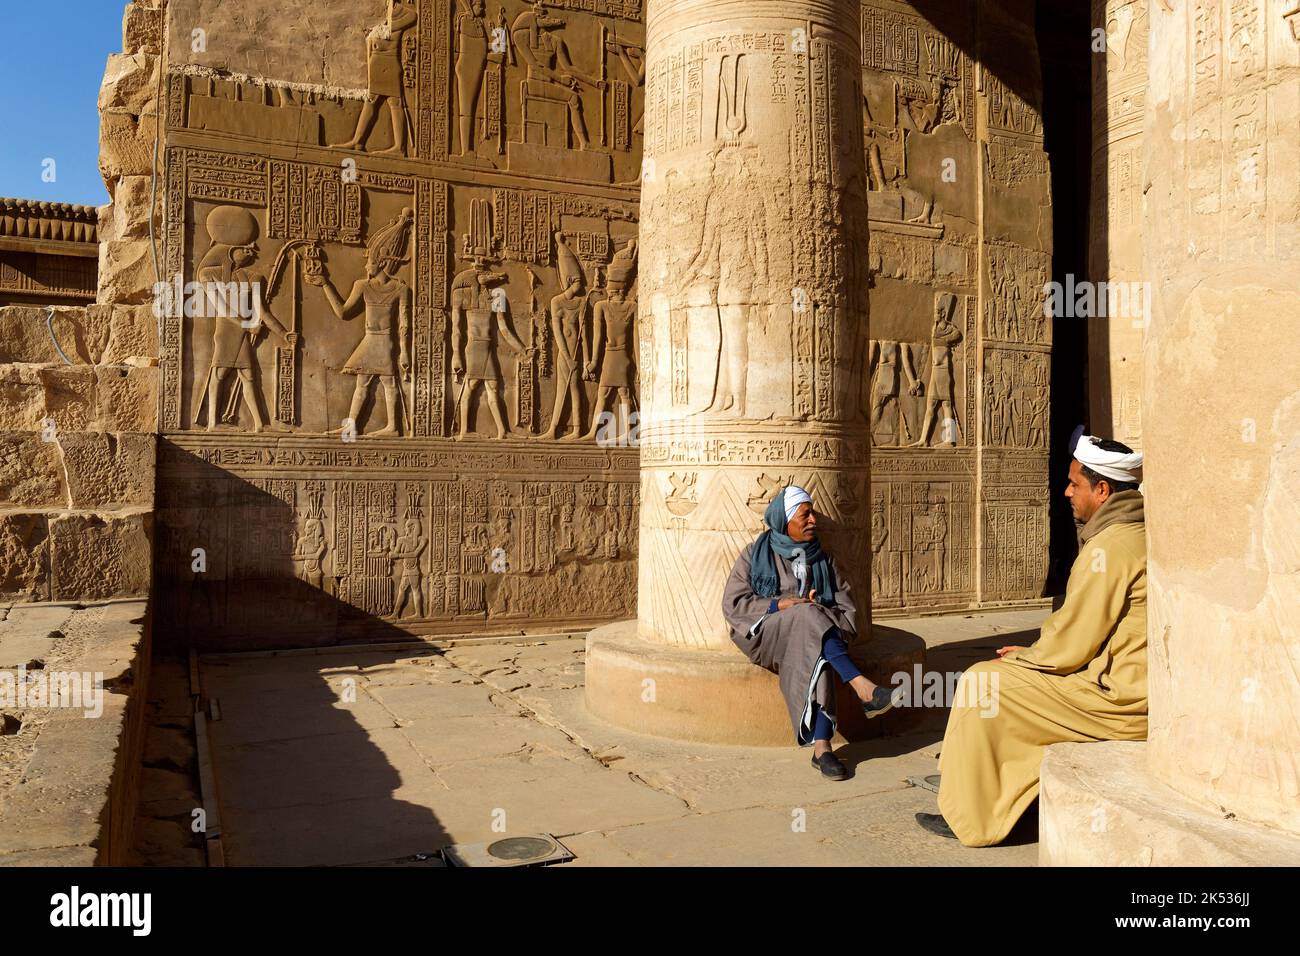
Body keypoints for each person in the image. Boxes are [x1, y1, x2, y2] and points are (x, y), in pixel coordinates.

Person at [917, 435, 1147, 844]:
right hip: (1124, 683)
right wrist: (1036, 653)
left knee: (983, 683)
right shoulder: (1131, 533)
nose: (1066, 492)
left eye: (1074, 483)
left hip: (1120, 699)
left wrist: (1029, 657)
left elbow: (1073, 643)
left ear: (1102, 490)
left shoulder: (1109, 548)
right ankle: (985, 797)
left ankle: (973, 819)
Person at [722, 485, 897, 780]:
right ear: (784, 520)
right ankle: (863, 689)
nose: (814, 520)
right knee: (807, 617)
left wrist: (820, 606)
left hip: (813, 633)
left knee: (816, 641)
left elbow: (846, 607)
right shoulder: (755, 554)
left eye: (813, 513)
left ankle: (823, 749)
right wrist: (780, 603)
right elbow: (734, 603)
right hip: (765, 634)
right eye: (806, 515)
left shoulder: (822, 558)